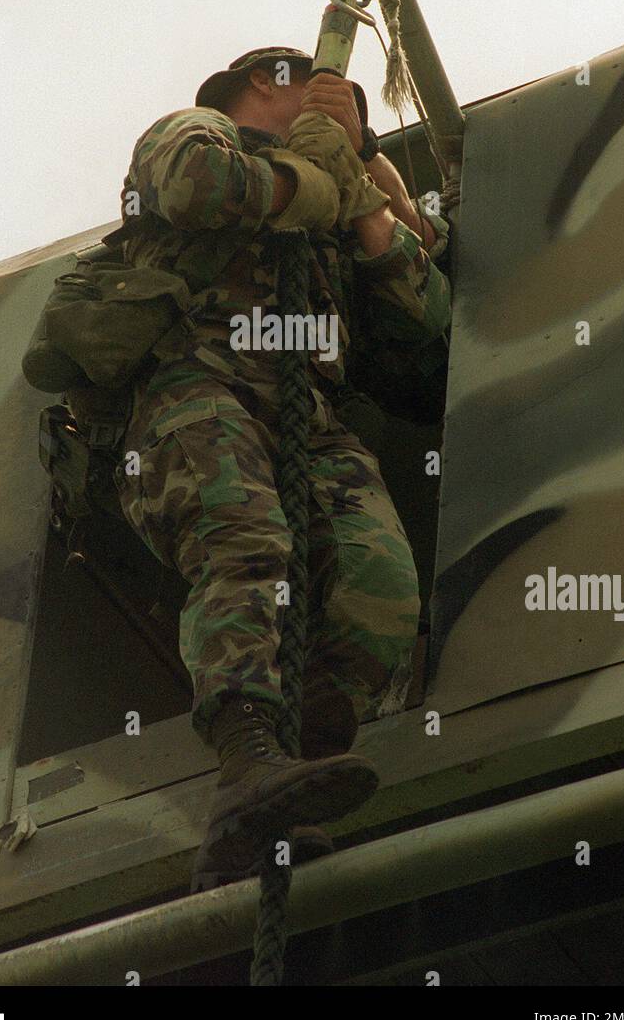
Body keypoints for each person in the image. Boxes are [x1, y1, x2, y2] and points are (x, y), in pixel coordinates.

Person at [113, 47, 452, 887]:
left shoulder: (337, 209)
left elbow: (427, 328)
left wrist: (365, 187)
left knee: (379, 584)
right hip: (200, 387)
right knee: (245, 545)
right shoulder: (195, 133)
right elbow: (194, 184)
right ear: (269, 80)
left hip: (307, 415)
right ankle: (246, 764)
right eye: (326, 97)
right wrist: (320, 181)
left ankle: (286, 787)